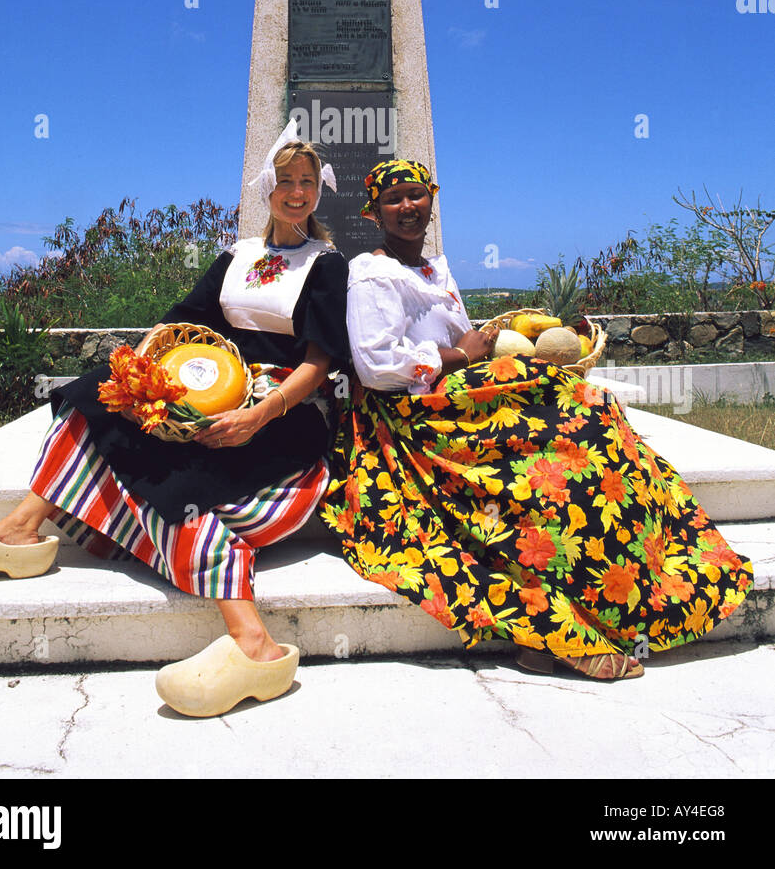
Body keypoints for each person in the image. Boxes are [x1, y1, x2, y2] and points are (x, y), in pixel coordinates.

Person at [0, 123, 349, 716]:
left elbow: (321, 365)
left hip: (283, 405)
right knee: (99, 394)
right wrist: (141, 375)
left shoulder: (327, 265)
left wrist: (259, 413)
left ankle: (255, 644)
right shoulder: (239, 256)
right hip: (211, 381)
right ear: (266, 190)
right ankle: (20, 529)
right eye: (285, 182)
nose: (296, 193)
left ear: (318, 191)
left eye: (306, 183)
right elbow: (180, 320)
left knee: (185, 479)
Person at [319, 158, 754, 681]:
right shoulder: (372, 275)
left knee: (596, 416)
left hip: (458, 399)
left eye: (416, 195)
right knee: (564, 463)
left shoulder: (433, 268)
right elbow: (376, 365)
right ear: (375, 213)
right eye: (394, 199)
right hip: (418, 415)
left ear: (431, 200)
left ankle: (625, 596)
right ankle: (557, 630)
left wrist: (477, 352)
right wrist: (458, 355)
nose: (407, 207)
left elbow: (463, 342)